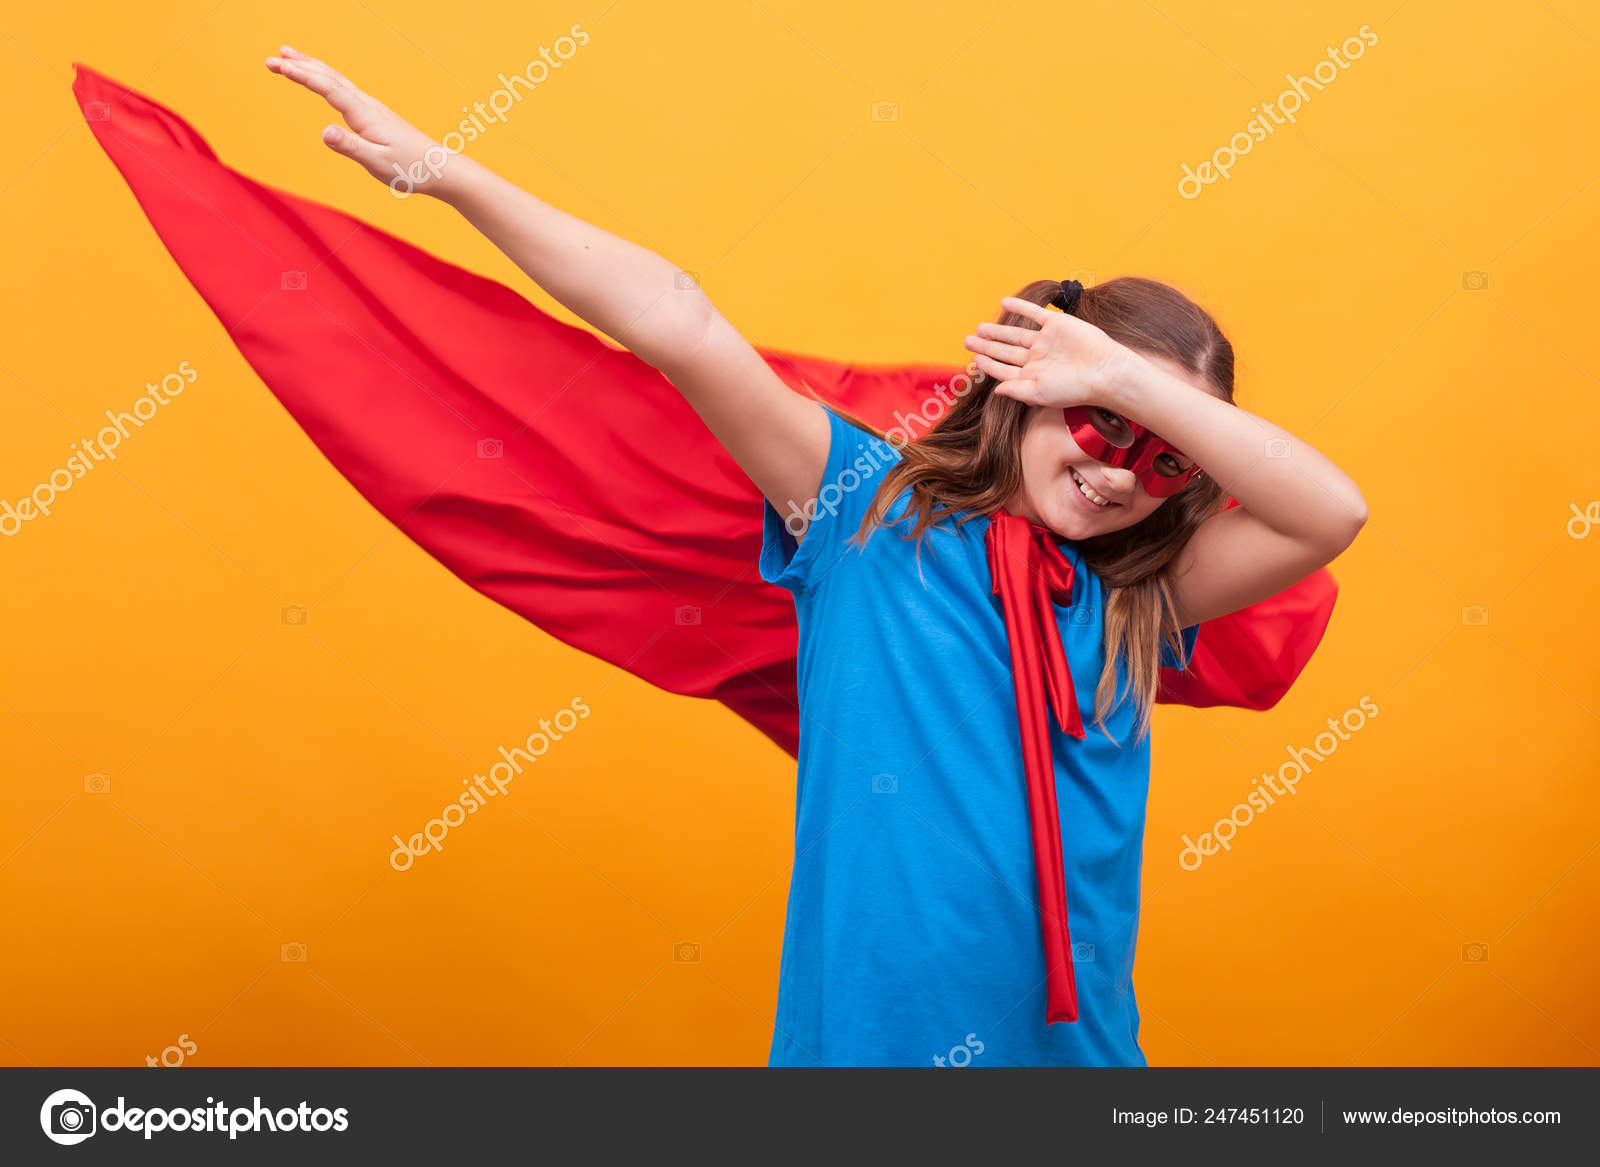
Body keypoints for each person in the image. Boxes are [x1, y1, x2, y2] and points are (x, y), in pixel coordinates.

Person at [172, 48, 1374, 1065]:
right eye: (1103, 422)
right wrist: (446, 174)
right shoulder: (860, 514)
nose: (1122, 468)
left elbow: (1329, 513)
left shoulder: (1137, 599)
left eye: (1167, 460)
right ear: (1023, 385)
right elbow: (678, 319)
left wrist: (1122, 380)